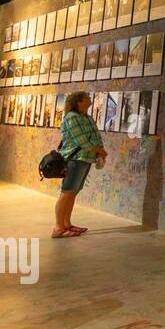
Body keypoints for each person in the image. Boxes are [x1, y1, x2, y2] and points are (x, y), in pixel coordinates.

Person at [54, 91, 107, 239]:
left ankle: (67, 224)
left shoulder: (86, 117)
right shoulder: (72, 118)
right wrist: (99, 150)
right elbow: (81, 140)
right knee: (67, 192)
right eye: (87, 98)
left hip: (85, 158)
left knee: (73, 192)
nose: (90, 99)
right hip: (75, 159)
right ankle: (58, 228)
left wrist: (98, 152)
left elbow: (95, 136)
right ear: (79, 102)